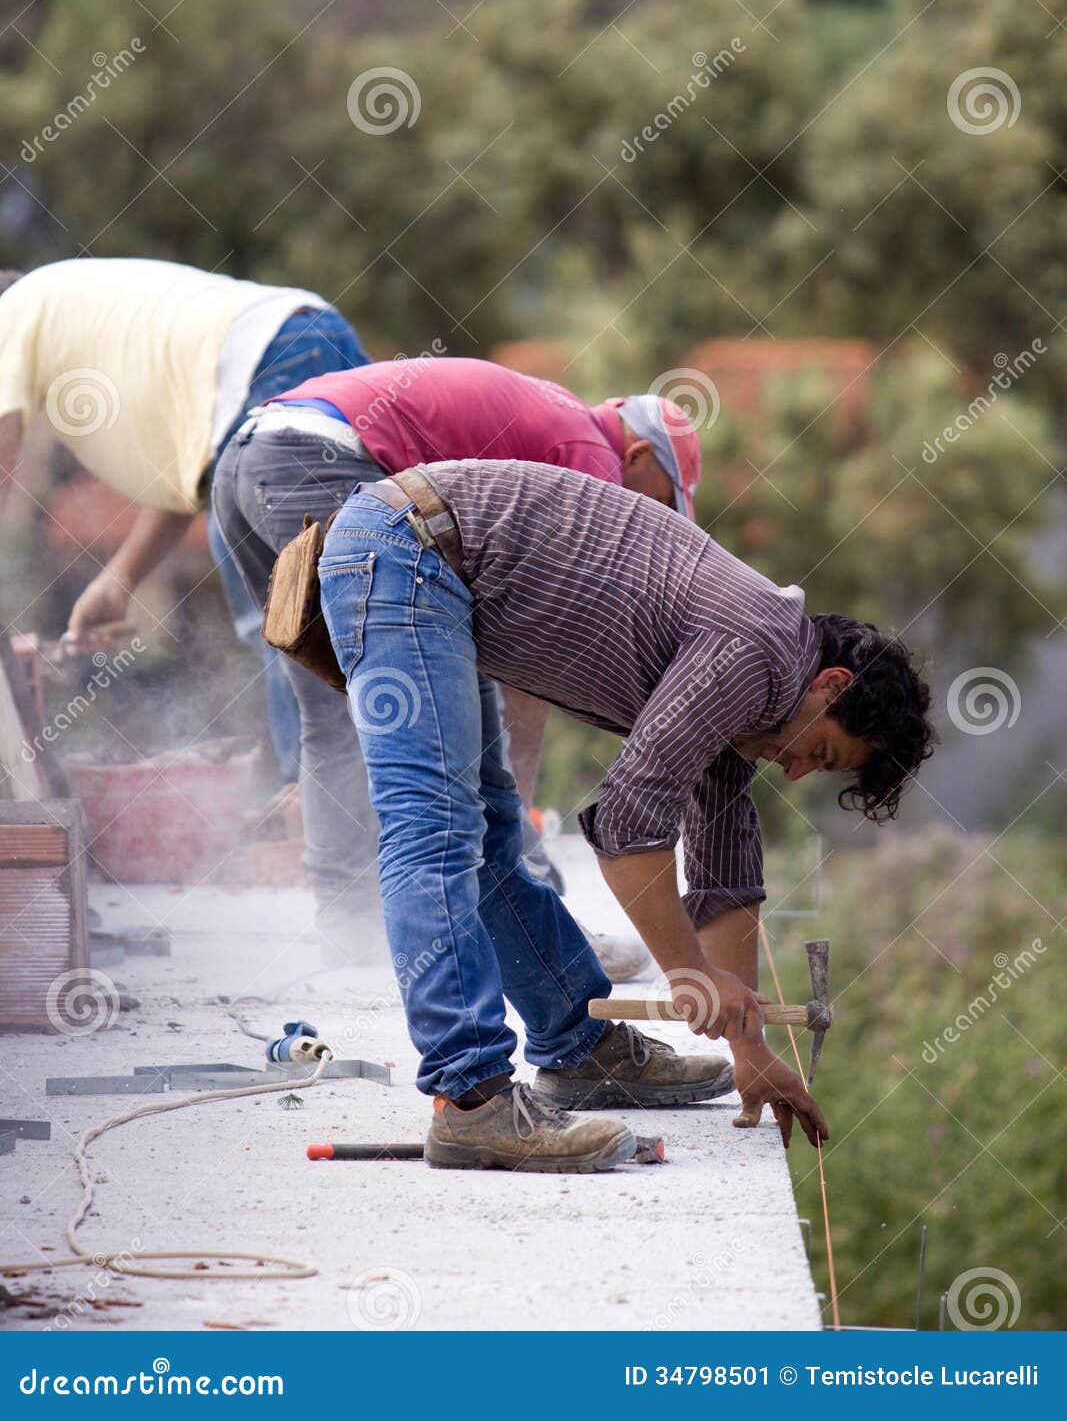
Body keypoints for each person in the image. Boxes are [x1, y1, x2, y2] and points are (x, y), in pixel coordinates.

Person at [314, 458, 936, 1172]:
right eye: (819, 753)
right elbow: (627, 824)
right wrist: (689, 975)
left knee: (484, 840)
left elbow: (725, 875)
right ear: (829, 684)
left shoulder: (757, 699)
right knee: (436, 831)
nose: (793, 771)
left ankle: (578, 1048)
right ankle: (472, 1104)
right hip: (410, 550)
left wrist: (749, 1050)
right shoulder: (755, 651)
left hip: (430, 562)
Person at [211, 355, 699, 963]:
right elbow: (535, 655)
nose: (655, 519)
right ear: (638, 458)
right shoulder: (592, 458)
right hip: (318, 461)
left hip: (246, 458)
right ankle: (541, 937)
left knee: (330, 710)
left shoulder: (554, 412)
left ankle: (349, 929)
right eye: (661, 501)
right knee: (455, 704)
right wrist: (517, 806)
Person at [0, 260, 368, 780]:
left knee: (288, 614)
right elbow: (185, 479)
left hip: (273, 365)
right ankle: (377, 817)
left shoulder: (9, 314)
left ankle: (323, 817)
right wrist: (121, 576)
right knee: (361, 601)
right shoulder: (87, 332)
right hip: (311, 340)